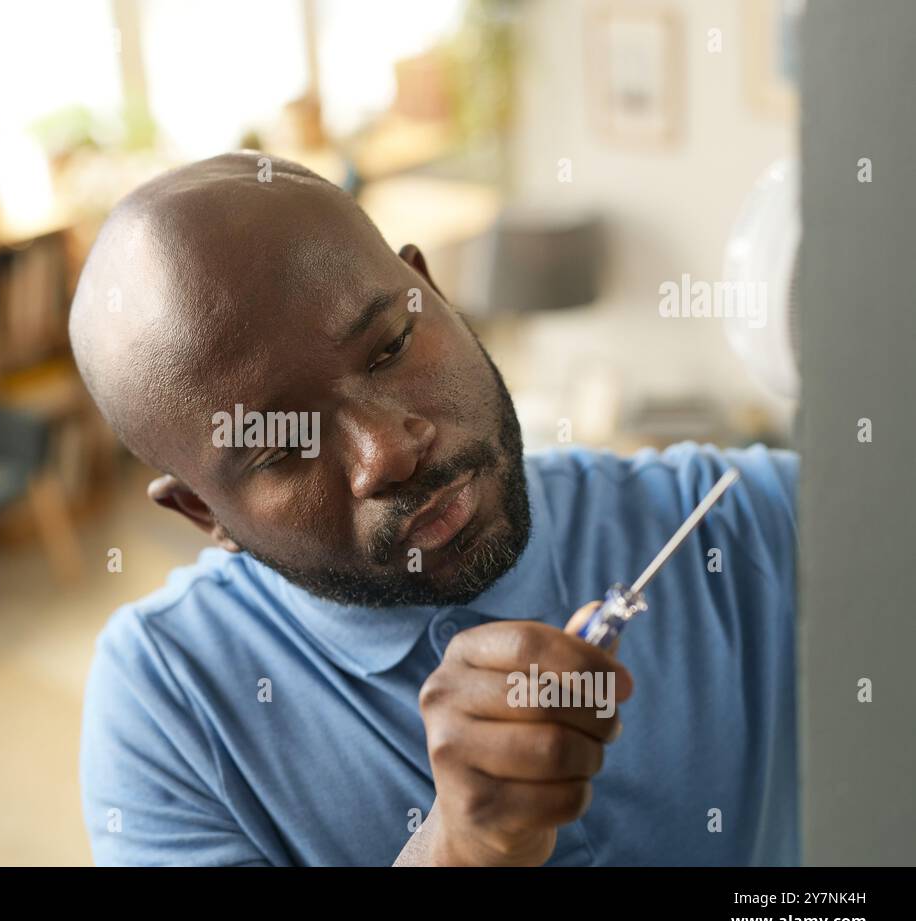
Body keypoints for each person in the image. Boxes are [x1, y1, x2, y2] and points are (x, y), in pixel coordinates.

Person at [71, 152, 798, 866]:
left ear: (432, 291)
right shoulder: (166, 706)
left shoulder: (731, 522)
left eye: (390, 349)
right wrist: (459, 852)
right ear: (205, 512)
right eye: (282, 447)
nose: (388, 450)